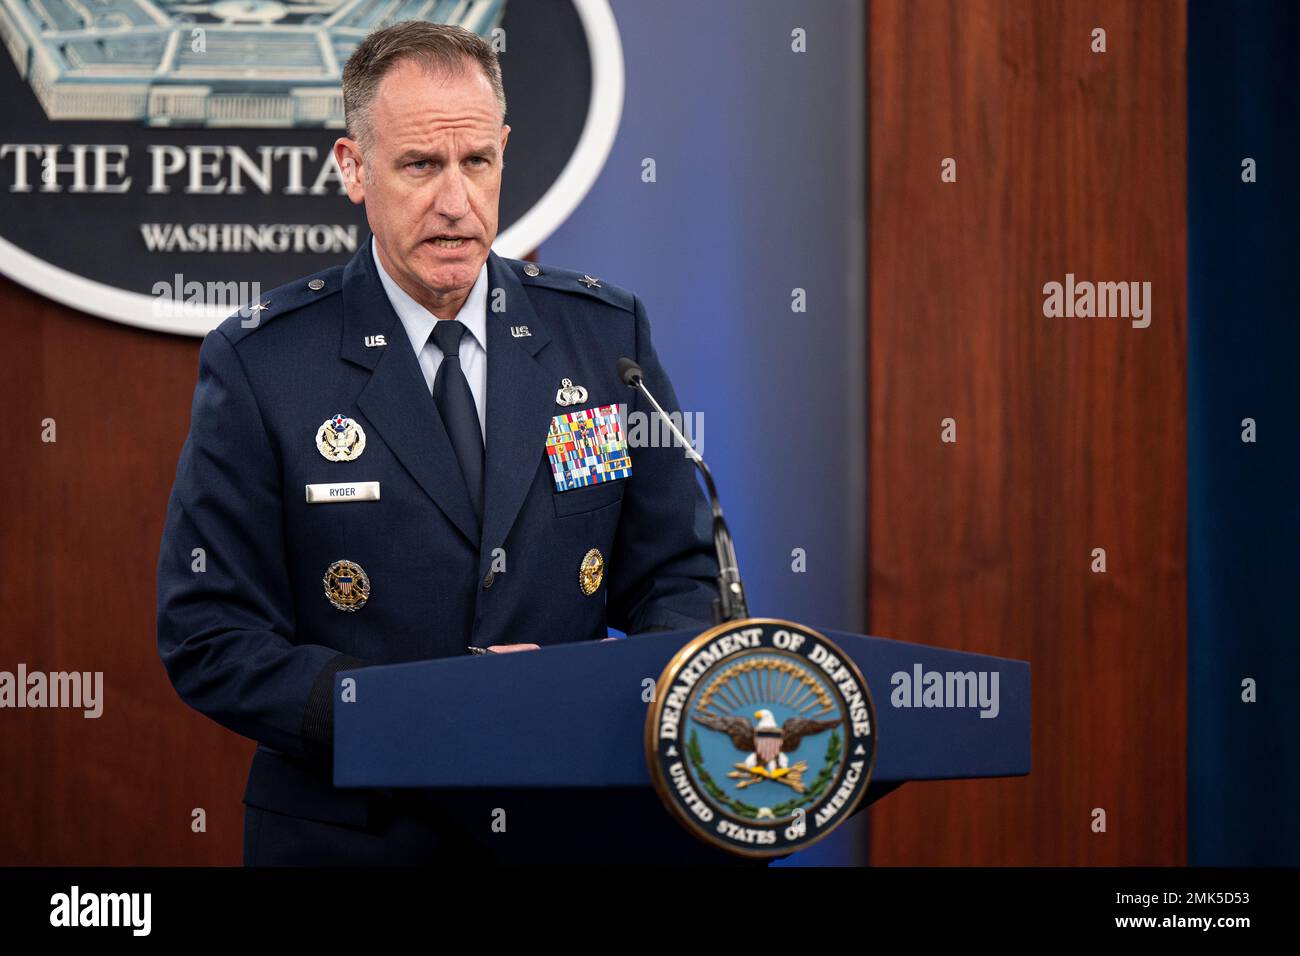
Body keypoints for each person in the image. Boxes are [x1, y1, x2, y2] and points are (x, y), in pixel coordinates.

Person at [155, 21, 718, 865]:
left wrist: (610, 703)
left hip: (572, 828)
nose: (455, 201)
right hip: (357, 837)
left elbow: (677, 575)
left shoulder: (605, 340)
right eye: (420, 165)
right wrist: (413, 711)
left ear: (504, 153)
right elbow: (208, 631)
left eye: (477, 162)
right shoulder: (265, 360)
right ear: (353, 167)